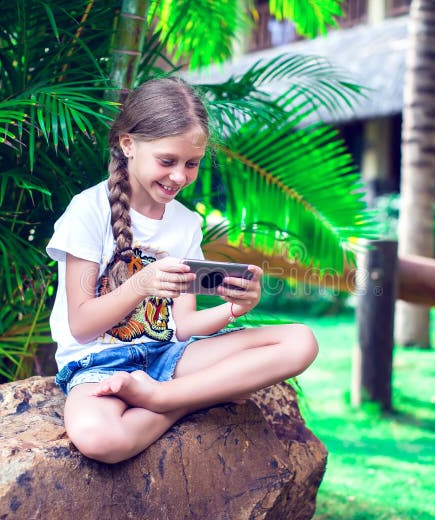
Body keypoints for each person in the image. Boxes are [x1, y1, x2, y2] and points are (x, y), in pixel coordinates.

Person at [46, 77, 318, 464]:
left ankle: (162, 398)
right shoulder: (88, 211)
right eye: (167, 161)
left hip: (168, 356)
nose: (179, 176)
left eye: (191, 164)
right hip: (97, 363)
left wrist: (233, 310)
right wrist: (141, 283)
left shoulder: (186, 223)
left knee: (300, 340)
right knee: (100, 438)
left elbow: (183, 325)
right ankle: (192, 400)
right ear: (128, 145)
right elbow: (82, 325)